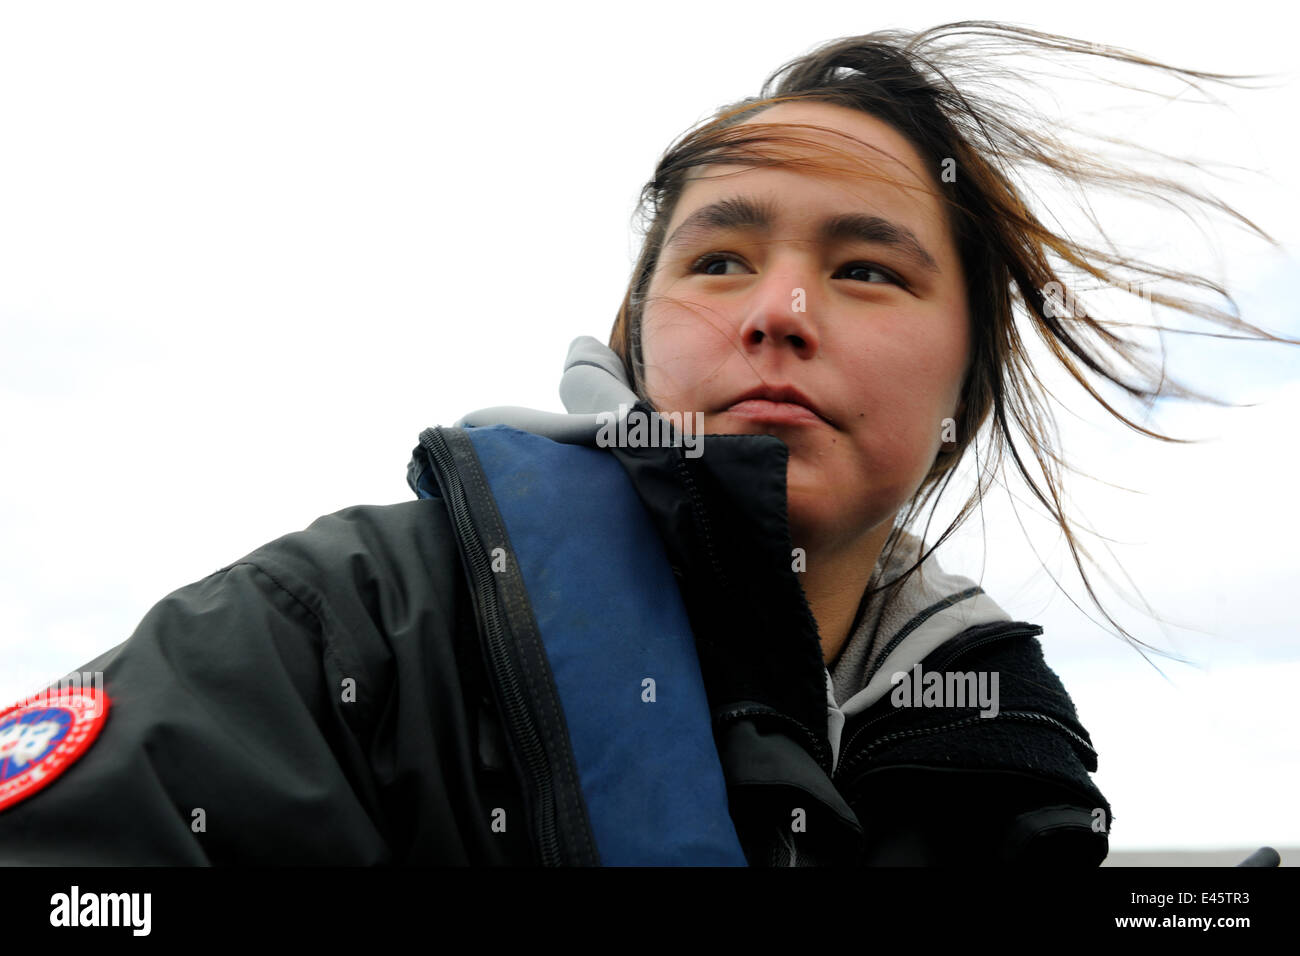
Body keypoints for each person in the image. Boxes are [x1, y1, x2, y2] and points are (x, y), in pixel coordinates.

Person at [1, 22, 1294, 866]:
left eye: (866, 270)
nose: (778, 314)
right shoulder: (337, 632)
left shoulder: (1011, 750)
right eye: (721, 258)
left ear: (970, 372)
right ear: (630, 337)